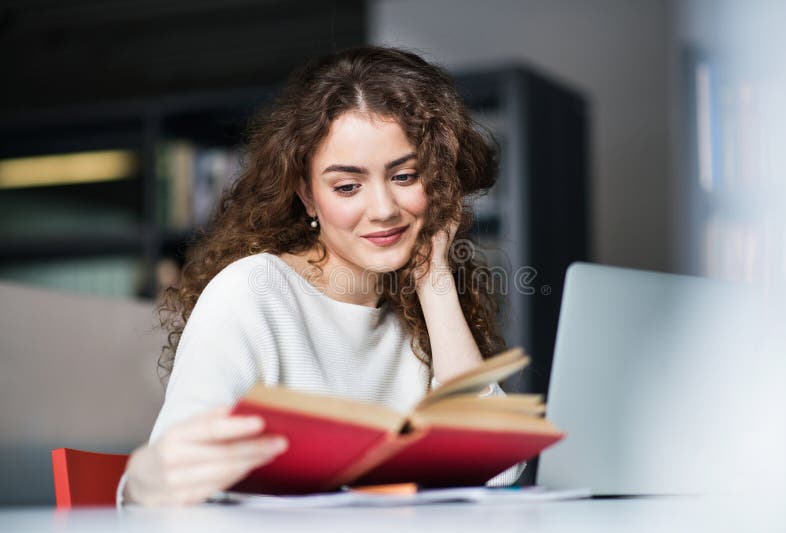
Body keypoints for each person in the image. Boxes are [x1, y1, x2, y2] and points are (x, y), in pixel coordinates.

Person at [120, 45, 521, 506]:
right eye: (347, 187)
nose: (384, 210)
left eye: (406, 176)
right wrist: (143, 480)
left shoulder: (417, 308)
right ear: (308, 198)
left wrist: (435, 285)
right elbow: (163, 484)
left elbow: (497, 470)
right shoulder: (252, 294)